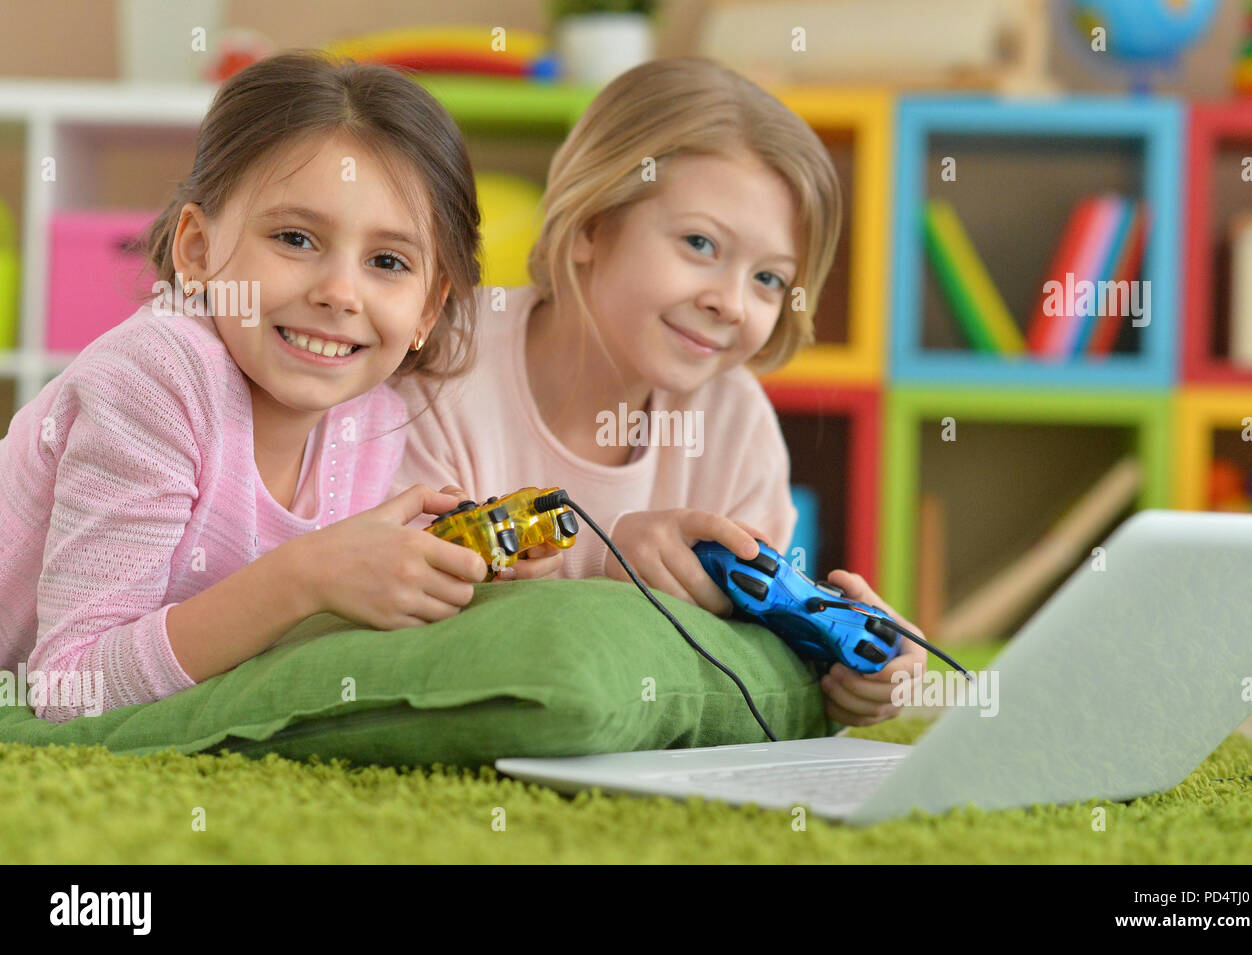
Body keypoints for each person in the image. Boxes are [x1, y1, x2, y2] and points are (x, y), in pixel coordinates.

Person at [392, 57, 925, 728]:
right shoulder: (443, 360)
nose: (731, 302)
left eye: (768, 279)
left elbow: (763, 658)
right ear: (591, 225)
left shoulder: (735, 420)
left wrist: (846, 668)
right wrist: (619, 578)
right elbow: (402, 626)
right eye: (700, 243)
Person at [0, 50, 513, 723]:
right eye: (296, 238)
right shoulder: (155, 379)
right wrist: (306, 577)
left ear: (427, 307)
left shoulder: (370, 418)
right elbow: (68, 688)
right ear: (196, 249)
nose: (339, 293)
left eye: (388, 261)